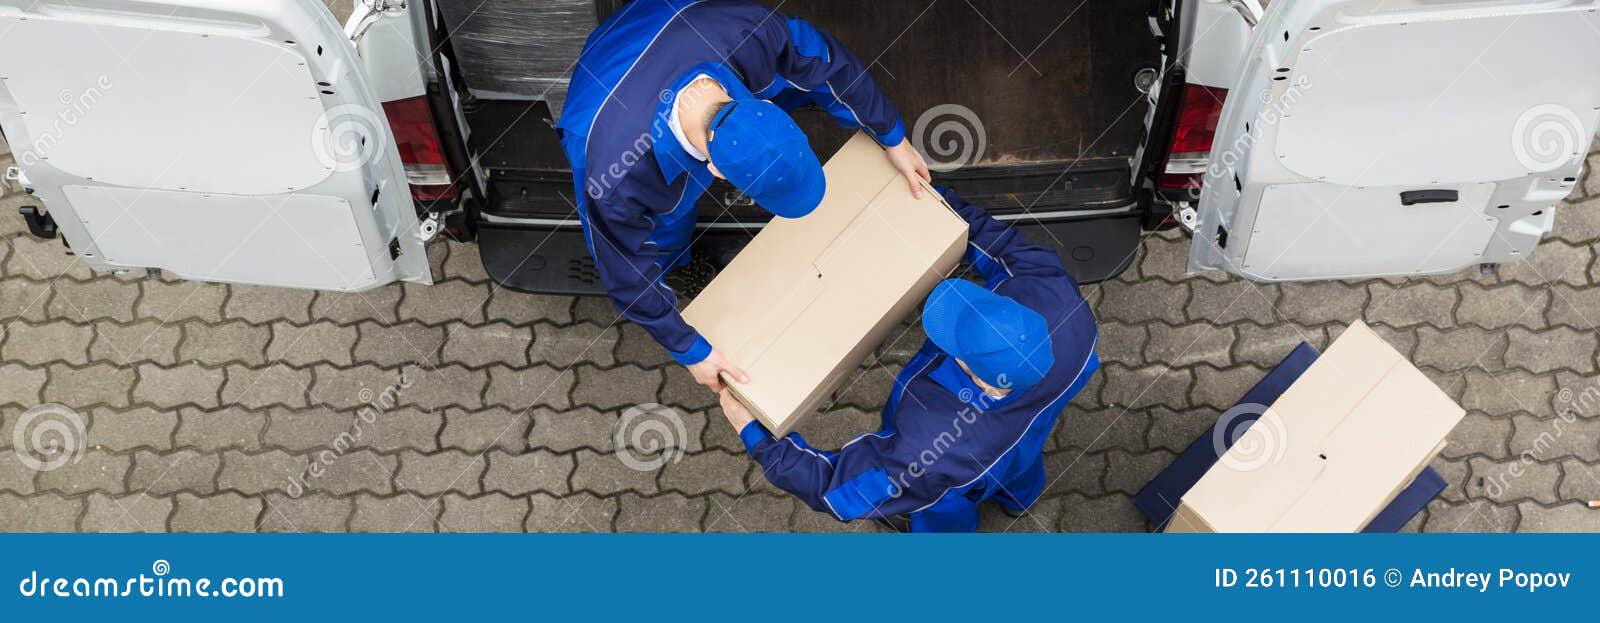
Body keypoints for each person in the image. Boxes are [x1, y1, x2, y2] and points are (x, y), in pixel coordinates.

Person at [556, 0, 929, 392]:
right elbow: (625, 271)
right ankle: (676, 263)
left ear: (763, 105)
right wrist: (689, 349)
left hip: (663, 19)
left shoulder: (751, 33)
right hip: (595, 100)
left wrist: (890, 134)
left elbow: (825, 63)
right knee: (660, 228)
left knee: (798, 77)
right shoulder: (617, 177)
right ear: (715, 171)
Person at [717, 189, 1100, 533]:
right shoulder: (1060, 300)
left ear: (980, 381)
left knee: (942, 510)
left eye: (956, 343)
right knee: (1023, 456)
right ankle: (1020, 499)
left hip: (960, 474)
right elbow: (991, 238)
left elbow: (834, 488)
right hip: (1030, 425)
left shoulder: (931, 446)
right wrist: (927, 191)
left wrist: (754, 432)